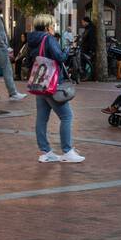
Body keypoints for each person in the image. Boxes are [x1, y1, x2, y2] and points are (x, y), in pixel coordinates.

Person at [25, 14, 83, 163]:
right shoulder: (48, 38)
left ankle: (46, 151)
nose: (54, 27)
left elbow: (29, 61)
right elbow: (60, 57)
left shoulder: (31, 40)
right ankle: (67, 151)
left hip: (39, 83)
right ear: (47, 26)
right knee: (67, 116)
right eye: (52, 25)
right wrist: (67, 50)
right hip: (52, 83)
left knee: (42, 118)